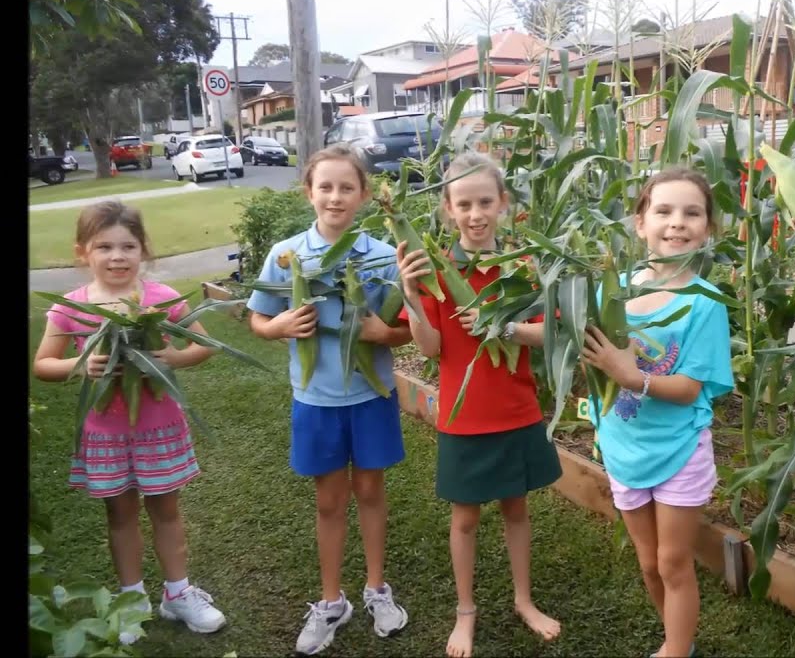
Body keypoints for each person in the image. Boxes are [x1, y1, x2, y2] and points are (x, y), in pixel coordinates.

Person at [32, 200, 228, 641]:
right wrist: (81, 364)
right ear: (83, 252)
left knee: (166, 512)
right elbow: (43, 364)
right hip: (106, 433)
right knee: (119, 516)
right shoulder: (73, 306)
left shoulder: (160, 299)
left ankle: (178, 594)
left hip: (158, 429)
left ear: (144, 250)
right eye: (104, 247)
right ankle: (131, 600)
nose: (117, 257)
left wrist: (173, 356)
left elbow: (206, 346)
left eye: (127, 246)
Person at [246, 145, 414, 656]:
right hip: (316, 399)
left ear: (363, 195)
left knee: (369, 491)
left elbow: (406, 331)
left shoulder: (384, 256)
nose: (335, 197)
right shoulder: (286, 254)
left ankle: (376, 589)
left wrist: (382, 333)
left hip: (371, 395)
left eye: (346, 187)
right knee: (328, 500)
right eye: (325, 187)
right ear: (309, 192)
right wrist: (275, 326)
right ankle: (330, 600)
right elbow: (258, 317)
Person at [396, 152, 563, 658]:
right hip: (464, 416)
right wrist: (408, 291)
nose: (475, 214)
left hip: (516, 410)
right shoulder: (436, 276)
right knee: (465, 518)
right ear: (447, 208)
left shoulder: (521, 270)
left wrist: (505, 326)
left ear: (503, 204)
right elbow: (430, 349)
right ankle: (465, 610)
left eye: (485, 202)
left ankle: (523, 600)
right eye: (464, 204)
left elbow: (551, 333)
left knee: (517, 509)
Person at [580, 166, 734, 658]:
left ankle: (674, 651)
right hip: (624, 445)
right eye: (663, 210)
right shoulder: (616, 288)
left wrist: (631, 377)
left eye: (692, 213)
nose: (677, 222)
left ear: (709, 228)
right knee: (648, 564)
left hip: (679, 448)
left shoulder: (705, 304)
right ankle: (677, 643)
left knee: (673, 563)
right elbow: (577, 335)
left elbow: (690, 388)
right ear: (639, 222)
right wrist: (508, 328)